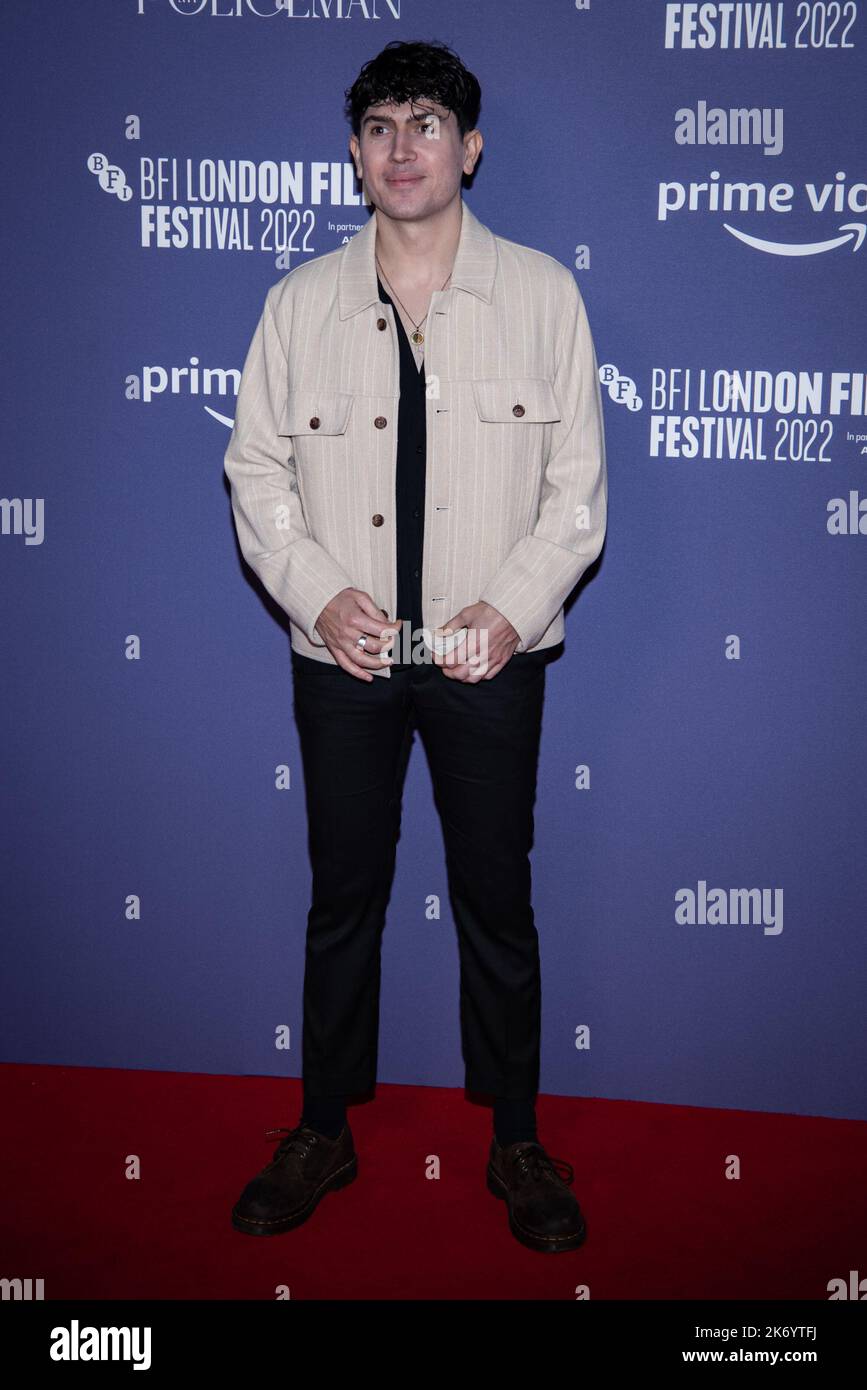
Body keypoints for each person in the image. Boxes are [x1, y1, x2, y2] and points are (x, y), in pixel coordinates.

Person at [224, 39, 607, 1254]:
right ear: (354, 151)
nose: (403, 147)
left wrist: (512, 606)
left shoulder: (543, 295)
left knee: (498, 899)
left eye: (427, 123)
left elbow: (579, 492)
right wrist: (316, 593)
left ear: (470, 148)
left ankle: (517, 1140)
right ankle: (323, 1127)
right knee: (344, 897)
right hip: (342, 663)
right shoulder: (298, 304)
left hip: (490, 660)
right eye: (381, 125)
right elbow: (255, 472)